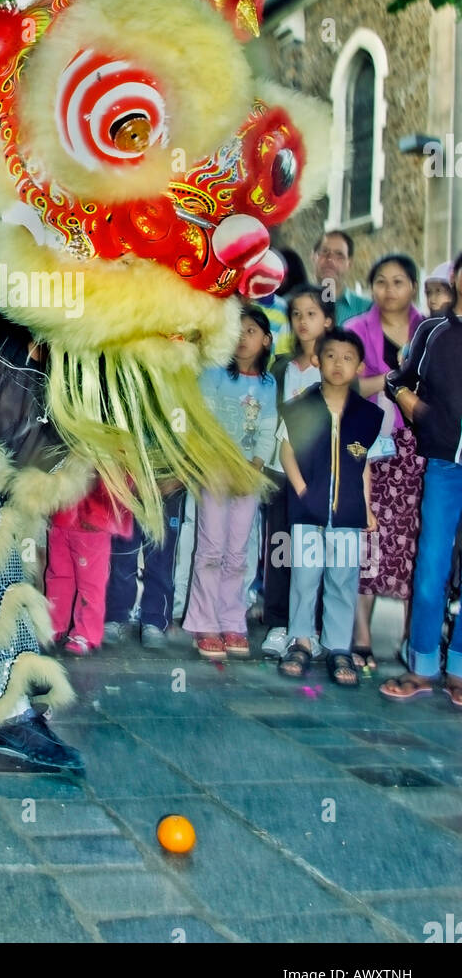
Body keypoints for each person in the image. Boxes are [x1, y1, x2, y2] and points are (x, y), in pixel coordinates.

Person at [278, 328, 382, 686]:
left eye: (348, 358)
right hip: (308, 512)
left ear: (359, 367)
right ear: (317, 360)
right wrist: (303, 490)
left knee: (343, 579)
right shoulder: (300, 407)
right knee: (305, 578)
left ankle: (338, 645)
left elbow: (364, 463)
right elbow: (286, 450)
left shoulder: (368, 416)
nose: (339, 364)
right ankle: (301, 640)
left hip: (349, 513)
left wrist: (367, 508)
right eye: (332, 356)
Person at [380, 252, 462, 706]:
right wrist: (413, 406)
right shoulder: (433, 330)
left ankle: (460, 670)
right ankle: (422, 666)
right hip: (445, 467)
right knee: (431, 566)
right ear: (455, 277)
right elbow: (398, 378)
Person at [343, 254, 425, 670]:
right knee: (368, 539)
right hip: (371, 447)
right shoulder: (356, 330)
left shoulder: (431, 331)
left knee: (416, 543)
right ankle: (361, 637)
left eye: (398, 282)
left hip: (421, 451)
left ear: (413, 286)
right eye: (380, 281)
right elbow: (345, 380)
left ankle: (416, 639)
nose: (389, 290)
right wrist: (393, 380)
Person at [182, 306, 277, 659]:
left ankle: (232, 620)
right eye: (237, 330)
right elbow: (202, 422)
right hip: (216, 471)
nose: (242, 337)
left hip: (248, 476)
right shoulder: (213, 374)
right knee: (210, 549)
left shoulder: (268, 383)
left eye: (251, 331)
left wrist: (254, 467)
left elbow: (267, 429)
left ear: (267, 341)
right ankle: (204, 623)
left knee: (237, 552)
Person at [261, 284, 335, 658]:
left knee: (313, 553)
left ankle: (309, 627)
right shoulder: (281, 366)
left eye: (311, 314)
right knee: (279, 548)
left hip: (320, 477)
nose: (303, 322)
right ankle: (278, 622)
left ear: (328, 320)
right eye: (296, 315)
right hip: (278, 471)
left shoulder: (337, 368)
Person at [46, 481, 131, 654]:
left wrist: (102, 515)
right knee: (58, 575)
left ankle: (87, 633)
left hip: (93, 520)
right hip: (62, 515)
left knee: (90, 584)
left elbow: (122, 478)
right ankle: (53, 624)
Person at [104, 483, 185, 649]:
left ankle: (155, 621)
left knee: (161, 562)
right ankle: (116, 616)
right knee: (121, 559)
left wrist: (174, 480)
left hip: (167, 493)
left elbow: (189, 461)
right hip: (129, 491)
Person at [312, 230, 370, 325]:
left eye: (339, 255)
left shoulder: (367, 310)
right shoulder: (294, 306)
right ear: (313, 257)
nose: (330, 260)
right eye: (324, 251)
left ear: (349, 264)